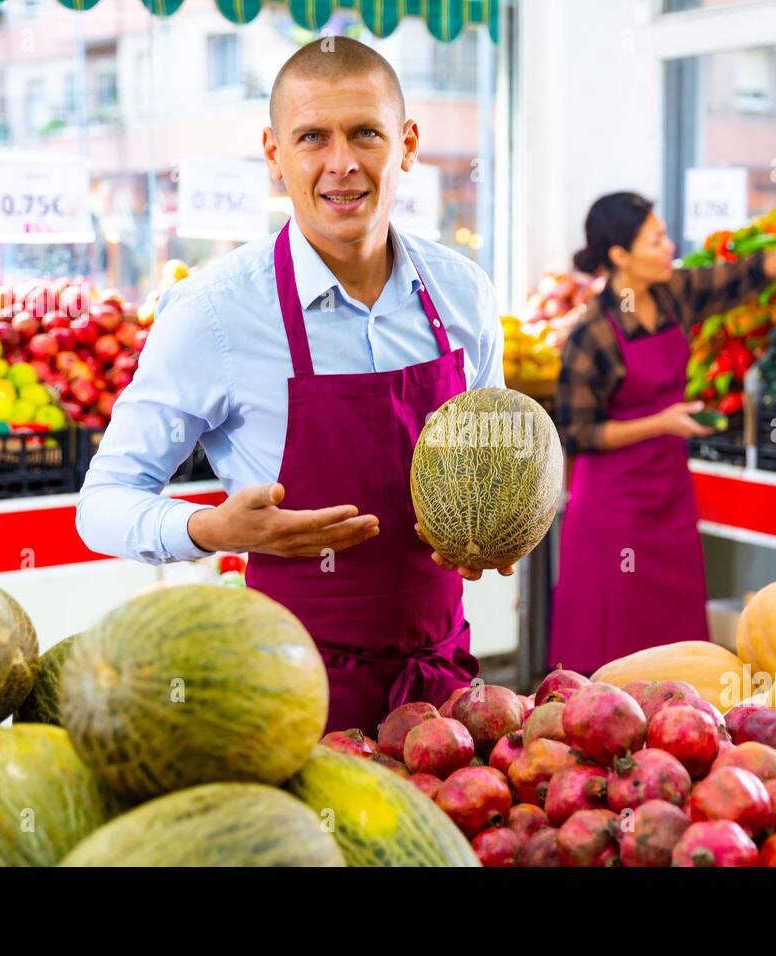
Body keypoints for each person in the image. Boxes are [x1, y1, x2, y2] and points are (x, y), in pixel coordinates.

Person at [76, 38, 509, 736]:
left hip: (445, 694)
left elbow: (495, 459)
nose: (342, 163)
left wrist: (497, 535)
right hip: (286, 694)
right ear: (275, 154)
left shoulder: (463, 295)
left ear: (406, 144)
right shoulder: (214, 313)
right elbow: (100, 503)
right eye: (313, 137)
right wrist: (210, 528)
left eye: (365, 133)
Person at [548, 192, 776, 673]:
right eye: (657, 239)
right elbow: (578, 433)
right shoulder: (593, 332)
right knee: (611, 646)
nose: (670, 246)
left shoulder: (672, 293)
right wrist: (662, 422)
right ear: (619, 255)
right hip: (612, 509)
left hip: (668, 497)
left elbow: (746, 274)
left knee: (677, 652)